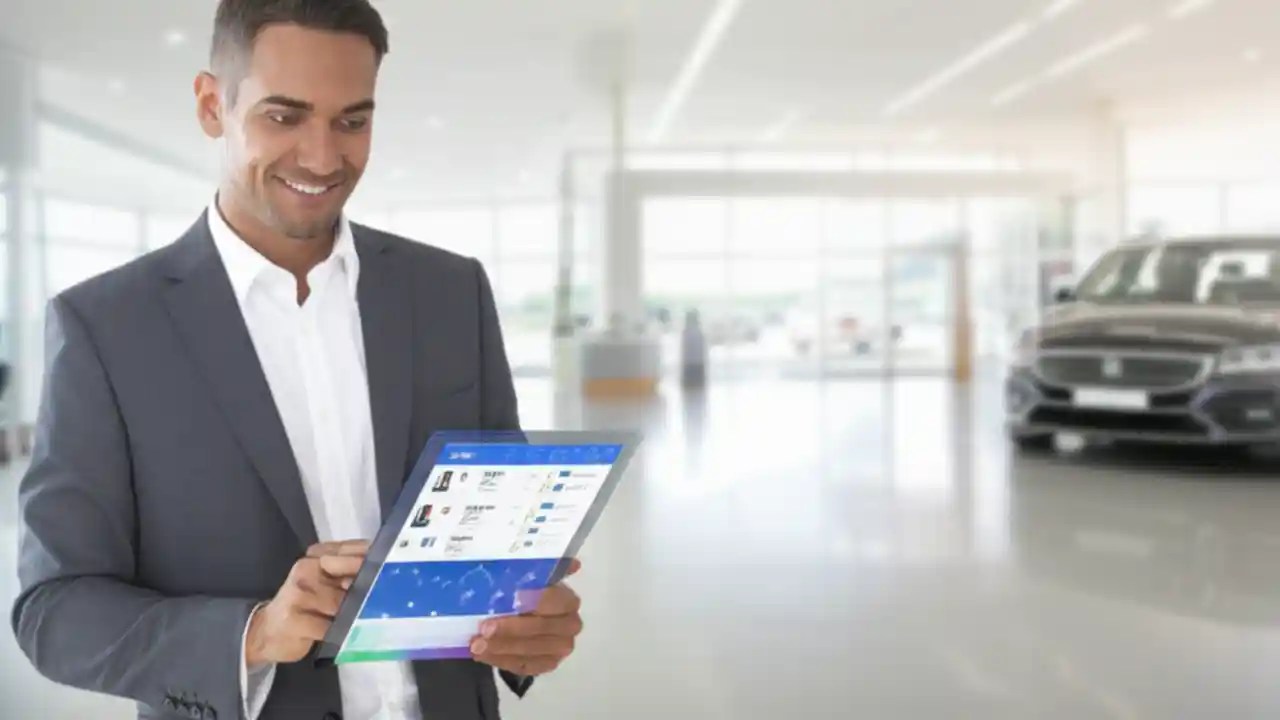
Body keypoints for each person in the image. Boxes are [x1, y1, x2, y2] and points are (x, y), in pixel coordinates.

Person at [10, 2, 583, 719]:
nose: (322, 157)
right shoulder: (105, 327)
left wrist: (531, 621)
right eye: (283, 117)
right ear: (212, 104)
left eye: (352, 120)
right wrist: (253, 633)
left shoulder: (450, 292)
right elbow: (54, 612)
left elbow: (499, 552)